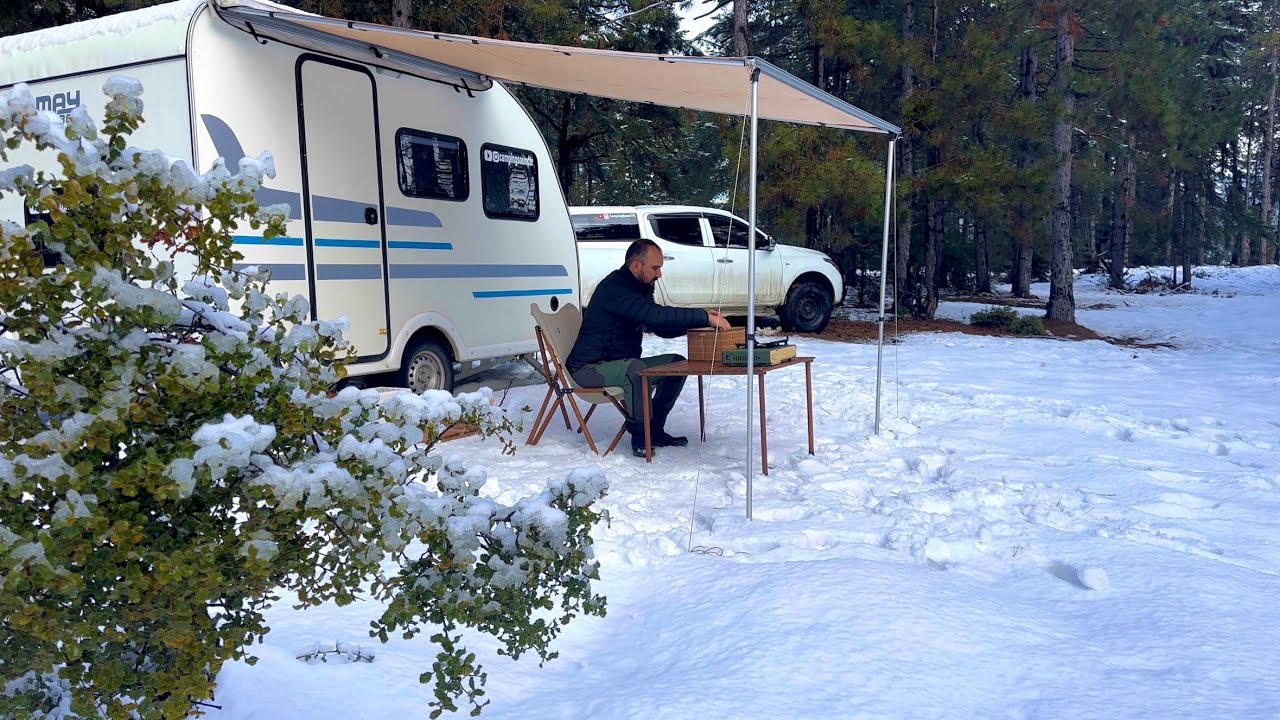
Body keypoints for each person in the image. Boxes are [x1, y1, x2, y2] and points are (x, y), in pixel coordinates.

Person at [567, 238, 732, 458]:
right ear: (636, 265)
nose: (659, 275)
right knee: (635, 369)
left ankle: (654, 430)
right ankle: (640, 436)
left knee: (676, 364)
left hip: (617, 365)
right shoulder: (615, 288)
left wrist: (700, 322)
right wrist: (703, 316)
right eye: (655, 268)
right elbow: (655, 314)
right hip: (588, 369)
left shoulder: (639, 288)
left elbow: (659, 326)